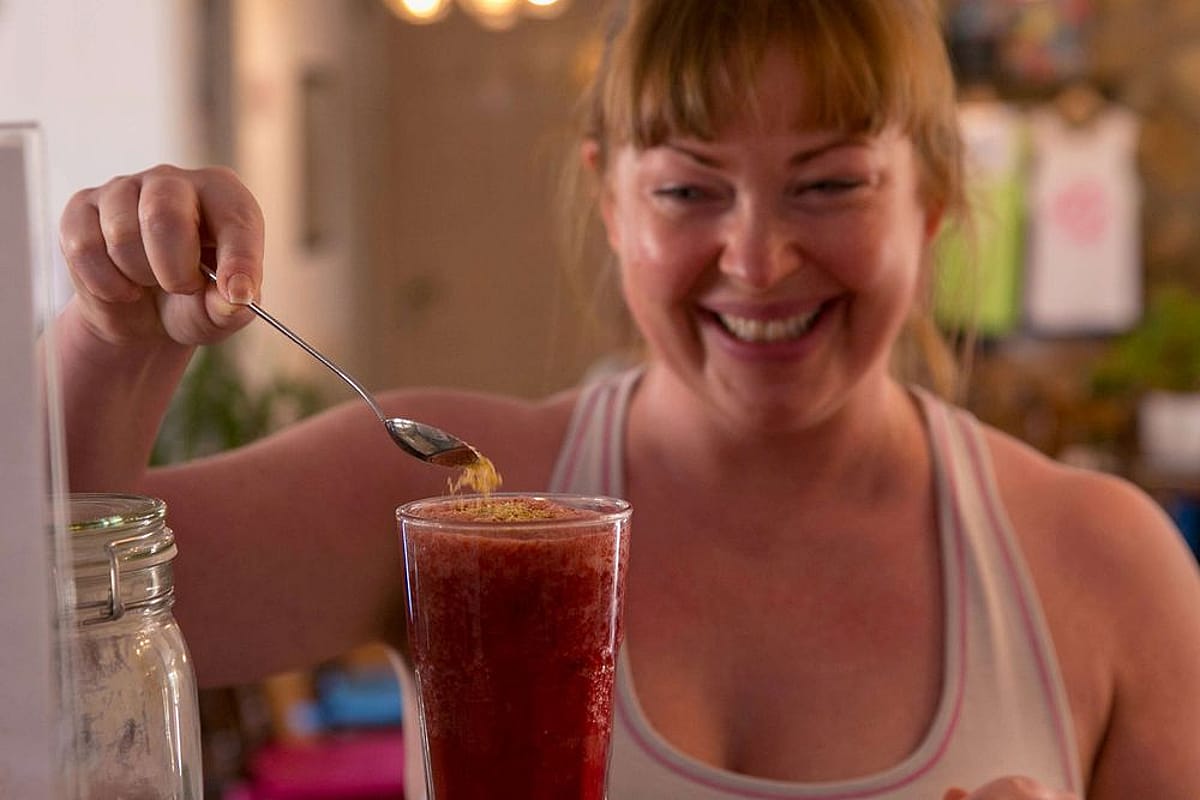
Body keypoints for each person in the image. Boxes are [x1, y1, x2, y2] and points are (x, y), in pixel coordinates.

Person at [52, 1, 1200, 798]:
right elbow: (41, 645)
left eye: (832, 183)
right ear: (612, 205)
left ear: (936, 200)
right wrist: (109, 335)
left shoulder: (1108, 567)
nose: (757, 259)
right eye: (690, 187)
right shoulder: (452, 497)